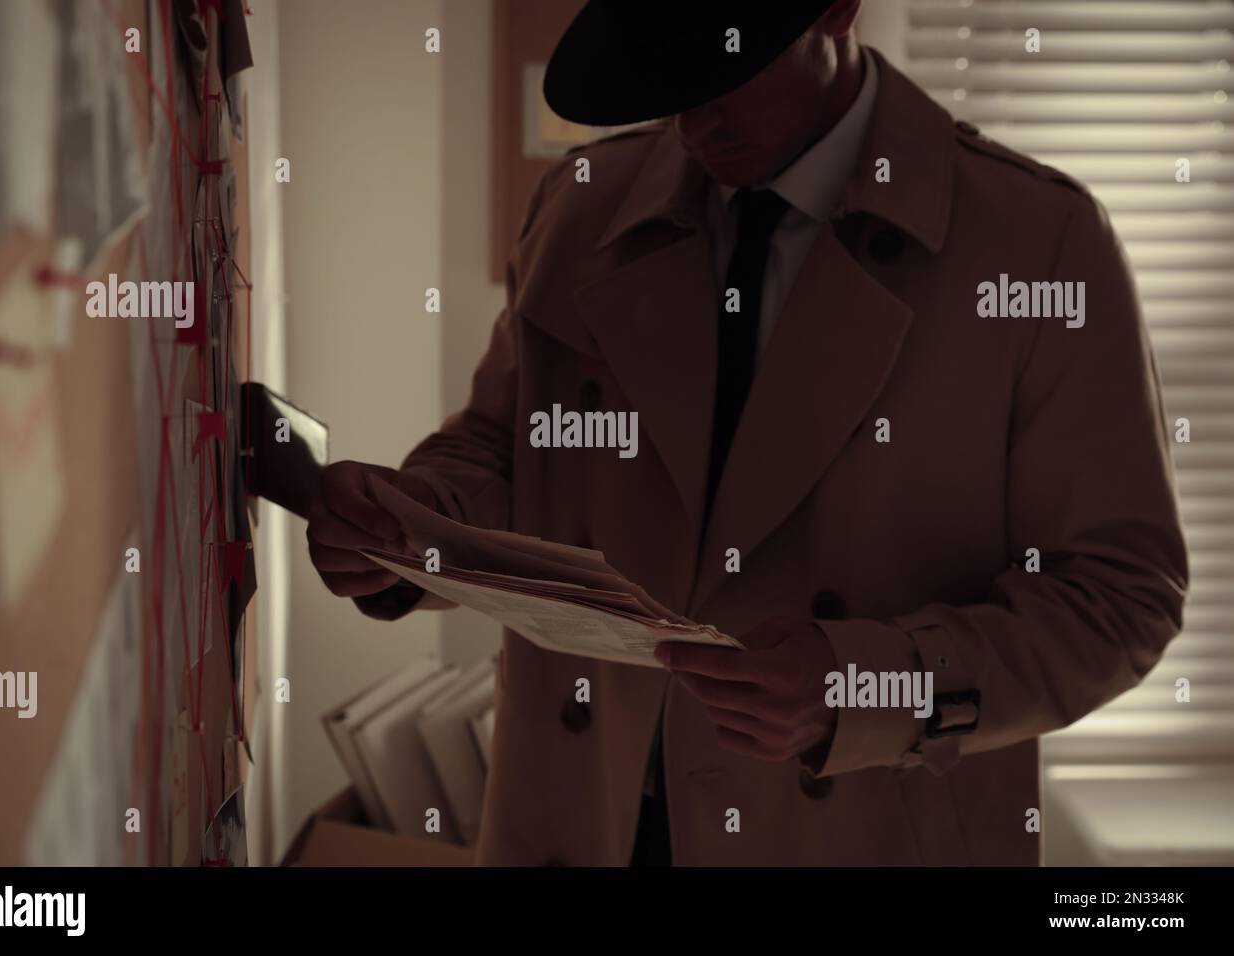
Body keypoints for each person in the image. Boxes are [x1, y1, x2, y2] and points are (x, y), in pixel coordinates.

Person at [306, 0, 1187, 865]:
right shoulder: (581, 206)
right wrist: (413, 525)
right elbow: (506, 453)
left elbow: (1117, 594)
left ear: (837, 12)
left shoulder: (1038, 241)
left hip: (861, 826)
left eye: (721, 67)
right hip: (583, 818)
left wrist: (862, 685)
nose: (692, 117)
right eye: (660, 73)